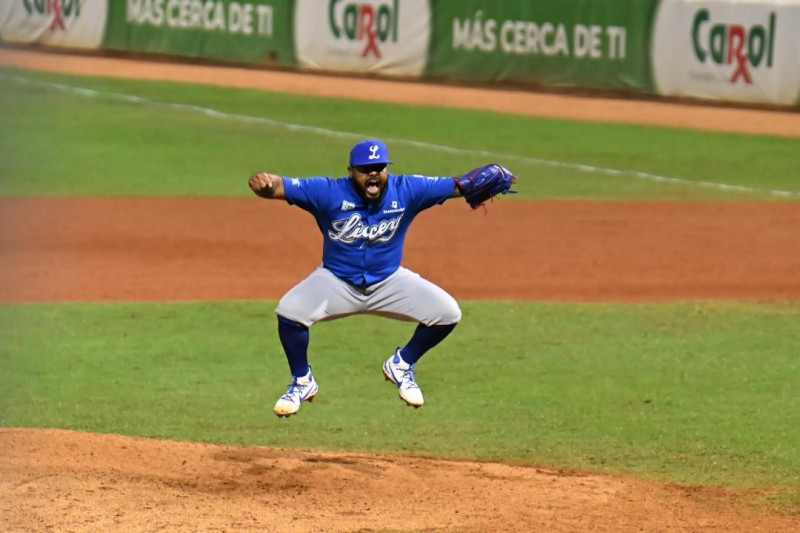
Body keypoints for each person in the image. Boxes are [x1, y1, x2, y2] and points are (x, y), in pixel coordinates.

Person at [249, 140, 515, 417]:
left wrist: (476, 180)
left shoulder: (409, 189)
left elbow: (457, 186)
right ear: (351, 171)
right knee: (290, 312)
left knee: (447, 313)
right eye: (365, 169)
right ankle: (302, 382)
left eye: (379, 167)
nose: (373, 174)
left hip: (390, 282)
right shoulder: (327, 191)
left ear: (387, 169)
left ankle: (401, 365)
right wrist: (264, 183)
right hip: (336, 282)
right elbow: (278, 187)